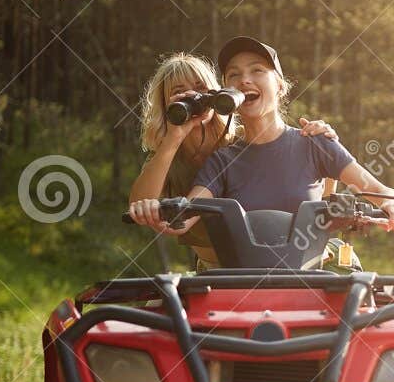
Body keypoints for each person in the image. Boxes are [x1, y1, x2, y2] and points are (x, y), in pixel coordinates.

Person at [128, 35, 394, 250]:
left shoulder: (315, 143)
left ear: (279, 85)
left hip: (308, 284)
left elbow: (377, 190)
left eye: (257, 71)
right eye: (234, 75)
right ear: (226, 93)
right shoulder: (222, 160)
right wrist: (154, 211)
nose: (245, 80)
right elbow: (182, 219)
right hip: (241, 289)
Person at [129, 50, 342, 267]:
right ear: (166, 105)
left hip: (280, 260)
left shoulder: (241, 142)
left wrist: (324, 146)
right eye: (179, 92)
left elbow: (312, 189)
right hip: (218, 270)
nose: (193, 96)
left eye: (200, 88)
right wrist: (173, 138)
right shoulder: (166, 161)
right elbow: (139, 207)